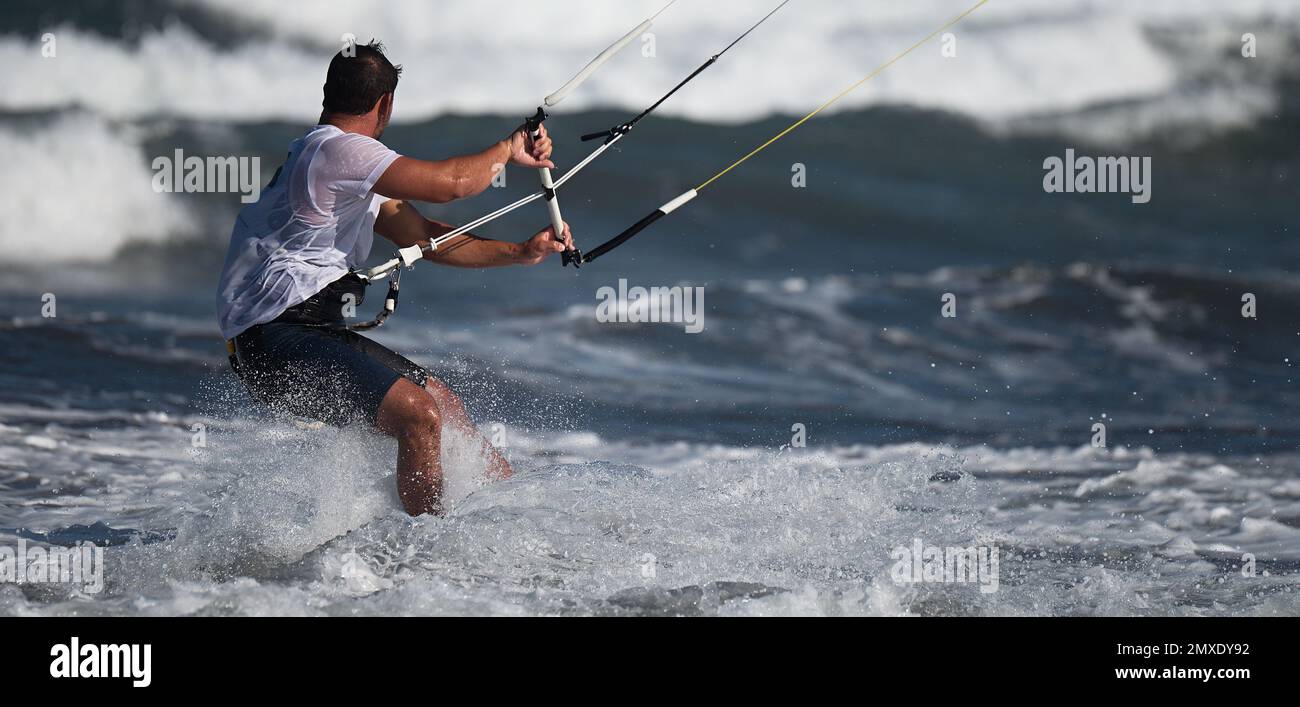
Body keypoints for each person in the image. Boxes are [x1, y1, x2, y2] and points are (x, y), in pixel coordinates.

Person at [216, 42, 572, 516]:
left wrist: (522, 252)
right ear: (385, 105)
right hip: (273, 342)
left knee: (441, 404)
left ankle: (516, 513)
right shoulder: (335, 153)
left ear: (327, 92)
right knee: (418, 416)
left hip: (302, 334)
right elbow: (452, 185)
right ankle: (426, 551)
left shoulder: (335, 165)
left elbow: (425, 236)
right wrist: (508, 148)